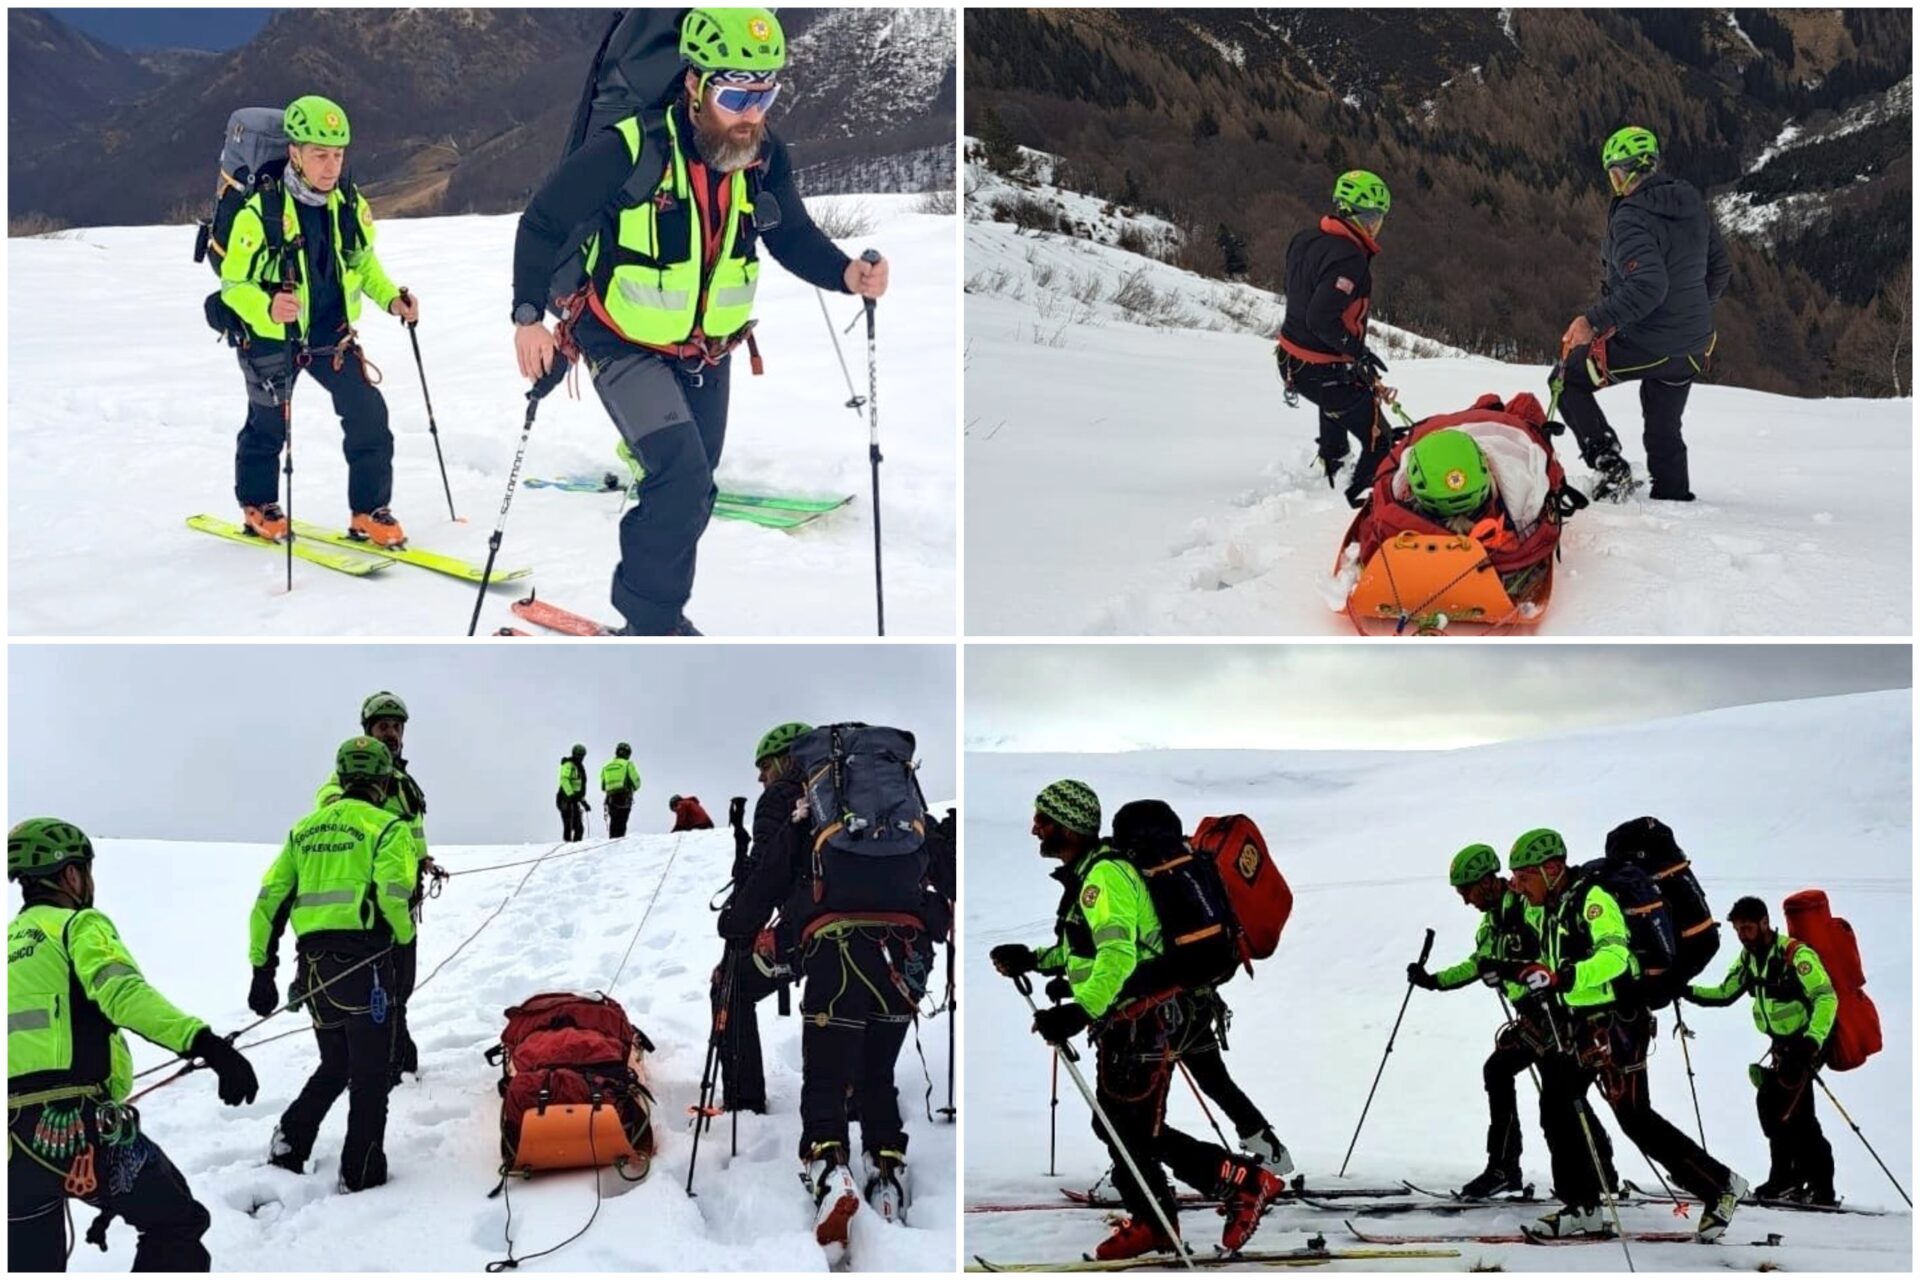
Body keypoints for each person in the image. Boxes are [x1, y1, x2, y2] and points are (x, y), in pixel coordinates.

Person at [509, 8, 890, 635]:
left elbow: (790, 232)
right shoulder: (630, 149)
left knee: (694, 488)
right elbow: (543, 222)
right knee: (681, 478)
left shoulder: (763, 156)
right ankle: (653, 623)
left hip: (707, 351)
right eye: (736, 96)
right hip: (620, 340)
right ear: (694, 83)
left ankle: (654, 597)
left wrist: (846, 274)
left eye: (765, 96)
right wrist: (528, 317)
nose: (751, 115)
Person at [989, 783, 1283, 1261]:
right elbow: (1084, 948)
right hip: (1133, 1018)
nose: (1035, 828)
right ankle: (1161, 1218)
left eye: (1044, 820)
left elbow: (1119, 955)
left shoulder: (1103, 878)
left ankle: (1238, 1184)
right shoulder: (1093, 873)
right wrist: (1036, 960)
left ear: (1070, 826)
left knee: (1130, 1129)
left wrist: (1081, 1010)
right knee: (1121, 1126)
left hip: (1141, 1021)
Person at [10, 819, 258, 1272]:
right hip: (77, 1131)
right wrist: (205, 1044)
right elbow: (123, 993)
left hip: (10, 1151)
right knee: (176, 1224)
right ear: (71, 875)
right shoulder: (76, 926)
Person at [718, 721, 925, 1251]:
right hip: (905, 953)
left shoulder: (795, 802)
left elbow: (770, 870)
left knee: (824, 1074)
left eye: (764, 767)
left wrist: (738, 924)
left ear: (783, 761)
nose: (761, 778)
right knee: (877, 1072)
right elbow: (938, 868)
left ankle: (830, 1169)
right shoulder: (894, 803)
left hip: (832, 945)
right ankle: (887, 1173)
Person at [1506, 828, 1747, 1240]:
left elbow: (1615, 956)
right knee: (1558, 1103)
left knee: (1634, 1117)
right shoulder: (1550, 907)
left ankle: (1721, 1185)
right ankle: (1582, 1205)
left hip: (1619, 1024)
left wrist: (1564, 977)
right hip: (1582, 1024)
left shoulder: (1593, 899)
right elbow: (1547, 957)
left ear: (1552, 868)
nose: (1518, 885)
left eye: (1524, 876)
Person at [216, 94, 420, 547]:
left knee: (368, 414)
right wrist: (268, 307)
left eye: (338, 155)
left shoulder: (346, 202)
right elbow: (234, 284)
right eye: (319, 155)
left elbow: (362, 261)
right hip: (273, 336)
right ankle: (258, 504)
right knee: (269, 425)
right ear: (295, 153)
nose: (331, 167)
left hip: (331, 334)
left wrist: (392, 299)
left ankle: (368, 510)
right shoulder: (261, 212)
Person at [250, 737, 418, 1192]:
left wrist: (262, 971)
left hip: (314, 972)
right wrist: (405, 939)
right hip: (367, 967)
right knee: (371, 1075)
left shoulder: (303, 830)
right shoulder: (389, 827)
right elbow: (393, 895)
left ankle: (292, 1139)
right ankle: (361, 1171)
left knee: (336, 1062)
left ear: (341, 779)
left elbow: (268, 902)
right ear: (385, 781)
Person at [1408, 843, 1616, 1198]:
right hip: (1534, 1018)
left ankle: (1594, 1174)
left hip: (1557, 1013)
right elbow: (1479, 963)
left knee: (1562, 1095)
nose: (1466, 900)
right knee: (1505, 1073)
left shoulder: (1528, 905)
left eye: (1467, 890)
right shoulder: (1491, 922)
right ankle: (1510, 1168)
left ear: (1487, 881)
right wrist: (1435, 981)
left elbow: (1549, 954)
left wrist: (1509, 970)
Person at [1555, 125, 1731, 502]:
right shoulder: (1691, 204)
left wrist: (1591, 321)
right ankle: (1673, 498)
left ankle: (1609, 465)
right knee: (1664, 426)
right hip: (1692, 347)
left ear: (1626, 172)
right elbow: (1719, 268)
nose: (1613, 182)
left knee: (1567, 379)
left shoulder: (1630, 218)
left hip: (1650, 341)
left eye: (1614, 173)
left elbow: (1648, 286)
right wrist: (1692, 312)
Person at [1683, 896, 1839, 1204]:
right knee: (1774, 1106)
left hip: (1806, 1042)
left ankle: (1817, 1187)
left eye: (1747, 928)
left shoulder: (1796, 954)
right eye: (1738, 930)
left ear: (1765, 923)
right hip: (1783, 1045)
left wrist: (1811, 1041)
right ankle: (1790, 1179)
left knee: (1794, 1113)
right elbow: (1725, 993)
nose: (1742, 935)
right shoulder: (1749, 958)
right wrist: (1685, 991)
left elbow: (1826, 997)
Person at [316, 691, 435, 1086]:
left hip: (403, 893)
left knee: (401, 981)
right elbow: (332, 804)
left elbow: (412, 830)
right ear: (368, 731)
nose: (392, 733)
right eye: (384, 726)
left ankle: (397, 1051)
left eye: (397, 727)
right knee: (383, 984)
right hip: (372, 903)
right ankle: (387, 1061)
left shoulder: (403, 783)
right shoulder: (350, 776)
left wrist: (423, 860)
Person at [1275, 169, 1394, 507]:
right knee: (1382, 441)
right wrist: (1358, 352)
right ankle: (1357, 502)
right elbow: (1320, 318)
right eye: (1375, 217)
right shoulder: (1350, 258)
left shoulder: (1305, 239)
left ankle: (1333, 462)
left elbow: (1300, 297)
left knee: (1336, 407)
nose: (1377, 225)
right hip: (1322, 369)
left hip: (1292, 359)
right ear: (1362, 217)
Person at [600, 743, 642, 838]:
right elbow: (636, 782)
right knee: (622, 822)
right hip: (624, 798)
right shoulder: (628, 764)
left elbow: (603, 786)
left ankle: (612, 840)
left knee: (613, 821)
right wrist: (634, 787)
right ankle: (619, 842)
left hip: (610, 799)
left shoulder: (606, 766)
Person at [557, 745, 589, 842]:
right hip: (565, 798)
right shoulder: (568, 765)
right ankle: (567, 845)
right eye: (579, 755)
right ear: (574, 754)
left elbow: (578, 789)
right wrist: (570, 794)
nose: (581, 757)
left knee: (579, 827)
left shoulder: (578, 767)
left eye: (582, 755)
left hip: (574, 800)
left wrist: (584, 802)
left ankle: (575, 846)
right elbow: (564, 780)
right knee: (569, 824)